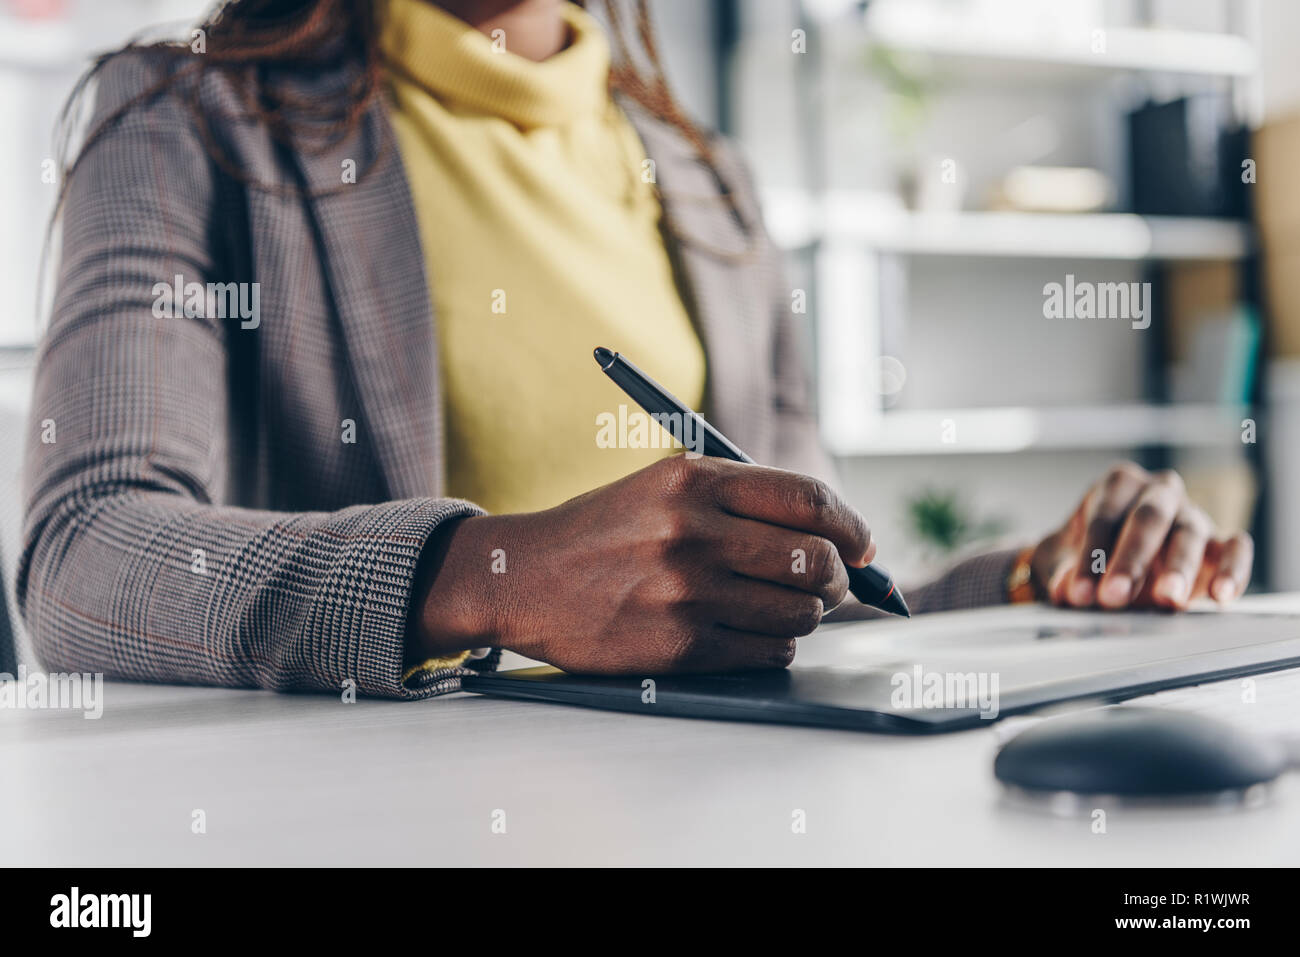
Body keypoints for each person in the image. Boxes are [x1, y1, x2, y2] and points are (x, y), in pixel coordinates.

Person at [19, 0, 1253, 699]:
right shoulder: (183, 119)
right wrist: (496, 573)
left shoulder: (709, 185)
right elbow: (82, 557)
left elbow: (807, 601)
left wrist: (1032, 583)